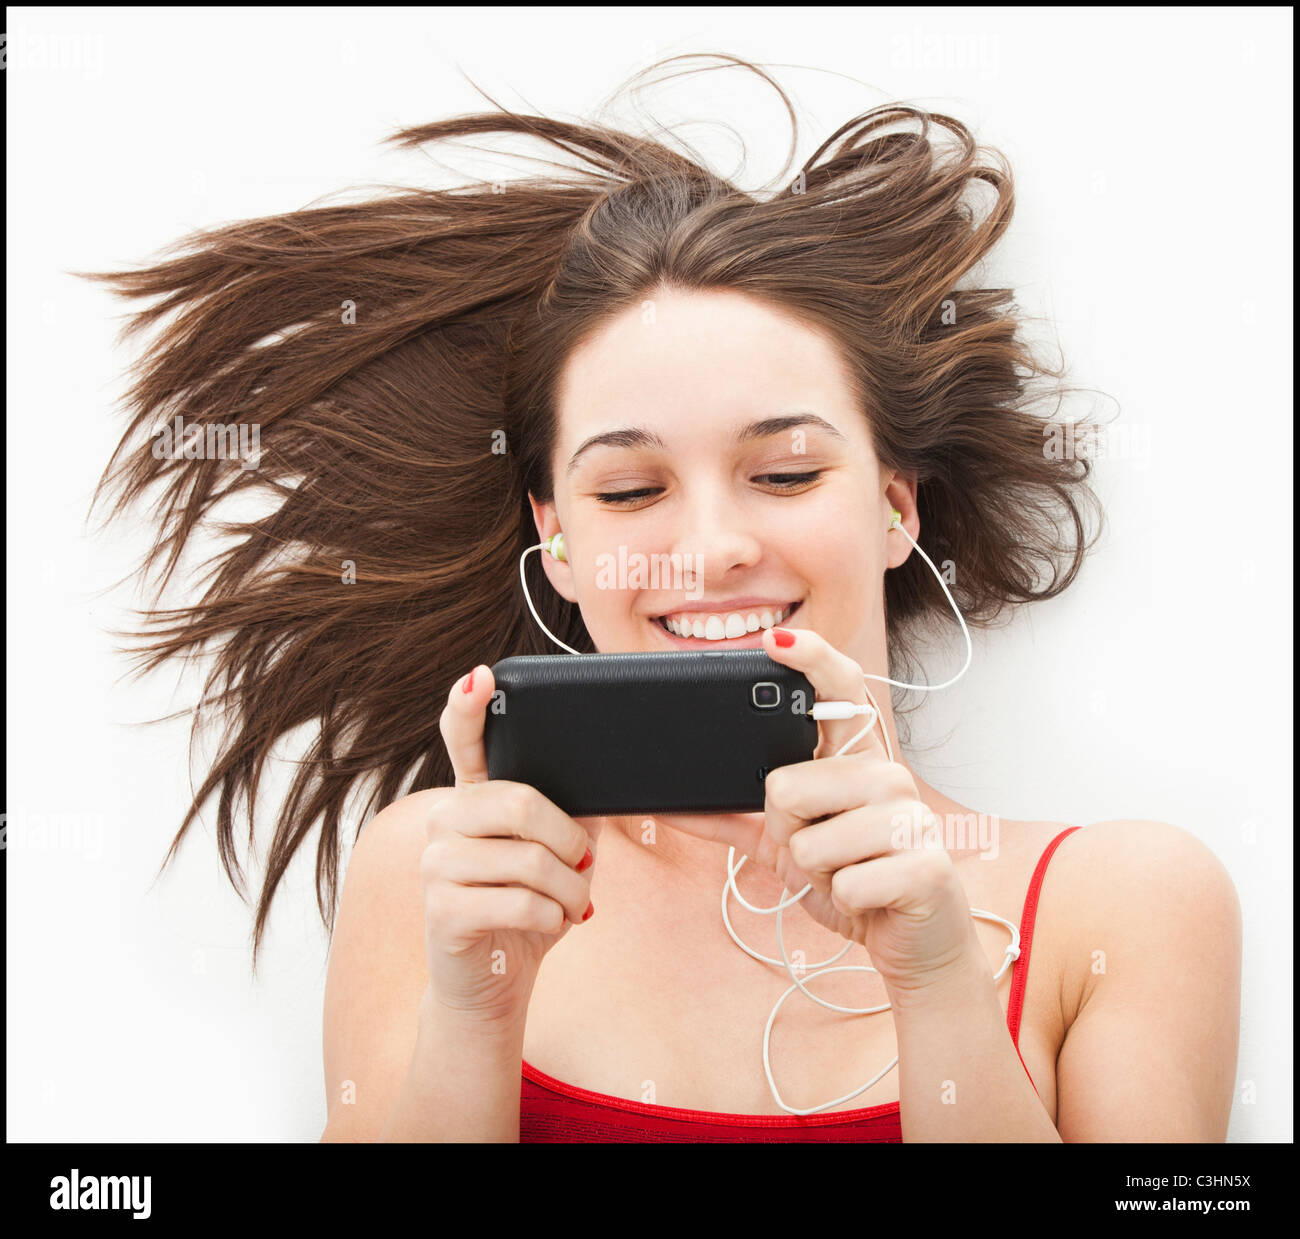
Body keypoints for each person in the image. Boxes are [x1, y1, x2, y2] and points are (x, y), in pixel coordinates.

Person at [84, 55, 1241, 1142]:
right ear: (560, 544)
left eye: (784, 473)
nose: (708, 549)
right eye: (631, 488)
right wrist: (476, 1011)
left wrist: (936, 985)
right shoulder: (436, 872)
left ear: (897, 510)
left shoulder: (1125, 902)